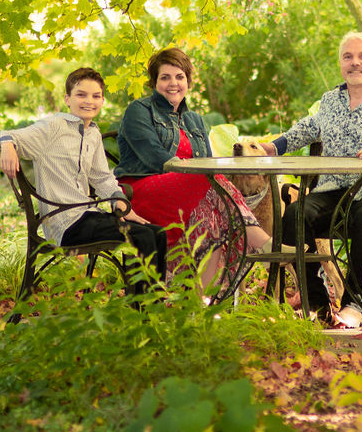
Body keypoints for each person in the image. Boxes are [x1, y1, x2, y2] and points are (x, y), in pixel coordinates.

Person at [260, 31, 362, 328]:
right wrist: (274, 146)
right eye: (348, 57)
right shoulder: (330, 100)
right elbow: (307, 128)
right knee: (295, 214)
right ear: (340, 63)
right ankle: (316, 305)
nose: (355, 62)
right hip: (332, 190)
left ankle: (355, 305)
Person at [0, 67, 168, 304]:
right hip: (64, 222)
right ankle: (145, 313)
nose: (89, 101)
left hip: (87, 216)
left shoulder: (93, 134)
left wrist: (120, 200)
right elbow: (8, 135)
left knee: (156, 232)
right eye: (81, 95)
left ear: (102, 100)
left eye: (96, 96)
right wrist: (6, 146)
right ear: (67, 99)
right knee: (141, 237)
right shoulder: (53, 127)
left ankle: (149, 305)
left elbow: (101, 177)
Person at [115, 46, 271, 291]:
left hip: (191, 195)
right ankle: (261, 240)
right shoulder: (140, 111)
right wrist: (195, 172)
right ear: (154, 82)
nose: (173, 83)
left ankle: (201, 305)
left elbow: (206, 163)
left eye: (180, 77)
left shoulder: (195, 120)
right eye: (165, 77)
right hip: (143, 190)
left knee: (212, 220)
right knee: (203, 177)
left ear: (188, 81)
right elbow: (154, 157)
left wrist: (201, 172)